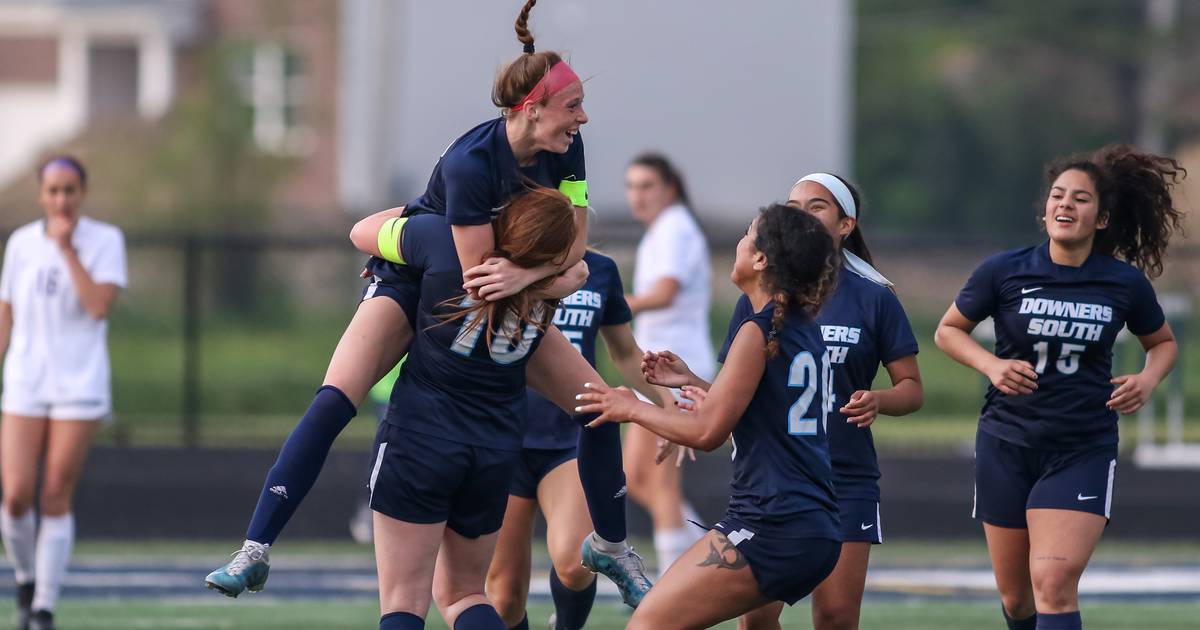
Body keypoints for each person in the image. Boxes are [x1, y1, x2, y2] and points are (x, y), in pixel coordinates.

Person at [206, 0, 652, 607]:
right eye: (572, 106)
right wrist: (552, 274)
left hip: (493, 284)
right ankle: (255, 547)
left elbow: (570, 250)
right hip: (424, 276)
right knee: (336, 399)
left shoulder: (564, 150)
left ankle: (612, 545)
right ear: (531, 107)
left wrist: (535, 268)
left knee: (597, 406)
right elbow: (474, 283)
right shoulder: (473, 164)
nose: (585, 118)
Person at [933, 145, 1183, 630]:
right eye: (1057, 195)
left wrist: (1148, 379)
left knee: (1054, 582)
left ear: (1103, 218)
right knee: (1018, 598)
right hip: (1007, 442)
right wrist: (992, 366)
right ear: (1044, 210)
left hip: (1081, 447)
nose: (1066, 205)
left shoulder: (1123, 283)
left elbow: (1164, 344)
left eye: (1081, 199)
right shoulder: (1003, 271)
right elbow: (948, 331)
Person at [577, 204, 843, 629]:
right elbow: (762, 409)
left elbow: (707, 432)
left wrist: (631, 407)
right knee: (756, 625)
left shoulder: (760, 330)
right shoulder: (796, 325)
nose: (739, 241)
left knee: (648, 624)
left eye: (747, 234)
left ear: (760, 259)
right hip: (811, 526)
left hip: (774, 524)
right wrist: (695, 383)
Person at [371, 187, 575, 630]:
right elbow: (573, 268)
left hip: (422, 436)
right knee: (465, 593)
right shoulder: (549, 286)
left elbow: (361, 231)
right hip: (493, 449)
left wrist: (439, 207)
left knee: (404, 599)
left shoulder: (443, 248)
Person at [734, 173, 923, 630]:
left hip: (845, 477)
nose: (801, 212)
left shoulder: (874, 298)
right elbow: (736, 389)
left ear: (845, 225)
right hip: (775, 478)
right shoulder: (763, 293)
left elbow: (912, 389)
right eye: (794, 204)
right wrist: (685, 388)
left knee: (836, 617)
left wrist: (880, 399)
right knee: (755, 619)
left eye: (816, 206)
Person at [485, 249, 674, 630]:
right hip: (503, 437)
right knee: (503, 597)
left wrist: (668, 405)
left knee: (575, 564)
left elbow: (624, 353)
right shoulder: (501, 258)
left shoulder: (600, 268)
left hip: (569, 440)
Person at [0, 156, 127, 630]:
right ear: (41, 195)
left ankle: (44, 609)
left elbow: (97, 307)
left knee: (55, 492)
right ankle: (27, 578)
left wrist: (68, 250)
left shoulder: (105, 241)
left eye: (69, 190)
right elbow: (6, 314)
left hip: (80, 382)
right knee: (14, 497)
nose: (61, 199)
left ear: (82, 192)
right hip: (25, 381)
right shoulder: (19, 244)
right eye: (53, 191)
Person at [623, 153, 712, 576]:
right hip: (656, 369)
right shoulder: (662, 230)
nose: (637, 196)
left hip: (677, 368)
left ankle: (673, 580)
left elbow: (665, 292)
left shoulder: (675, 227)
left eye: (647, 186)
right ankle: (703, 558)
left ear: (670, 188)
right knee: (636, 477)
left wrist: (614, 305)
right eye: (632, 187)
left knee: (659, 480)